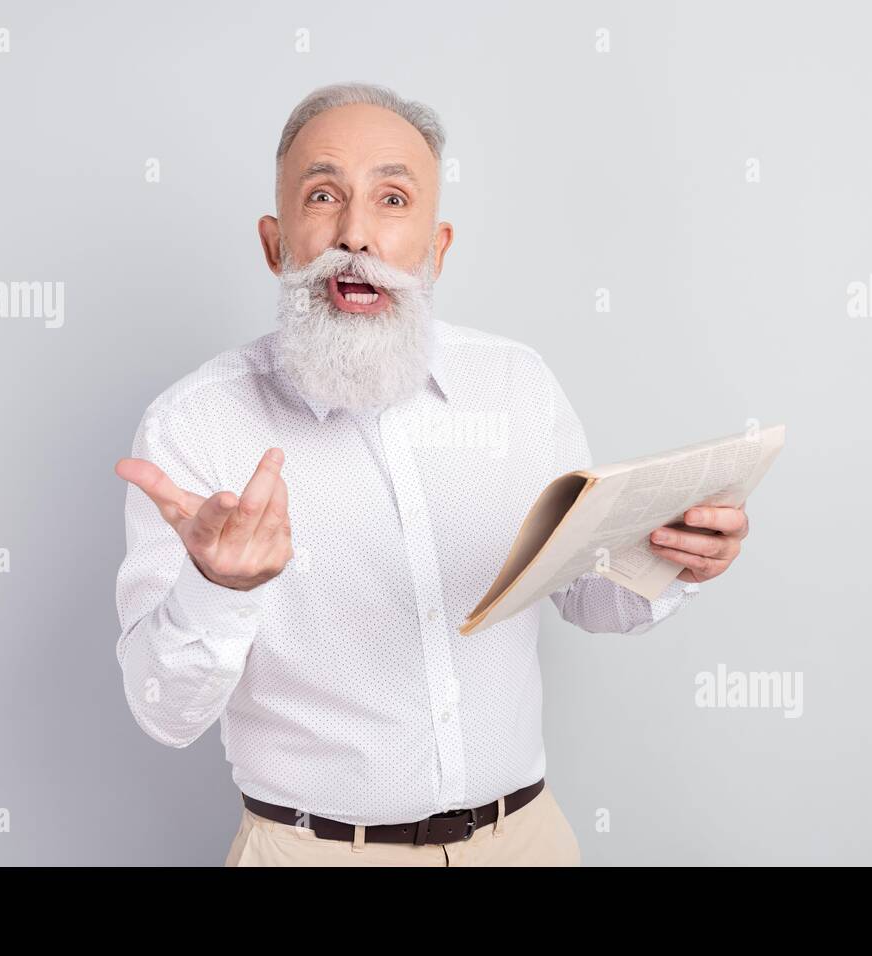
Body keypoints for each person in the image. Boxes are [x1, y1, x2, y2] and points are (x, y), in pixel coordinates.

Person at [113, 82, 751, 866]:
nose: (356, 235)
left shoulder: (518, 386)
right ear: (275, 243)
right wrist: (218, 588)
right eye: (323, 196)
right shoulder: (195, 425)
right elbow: (164, 712)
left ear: (436, 247)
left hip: (526, 842)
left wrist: (673, 556)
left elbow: (588, 592)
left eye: (391, 198)